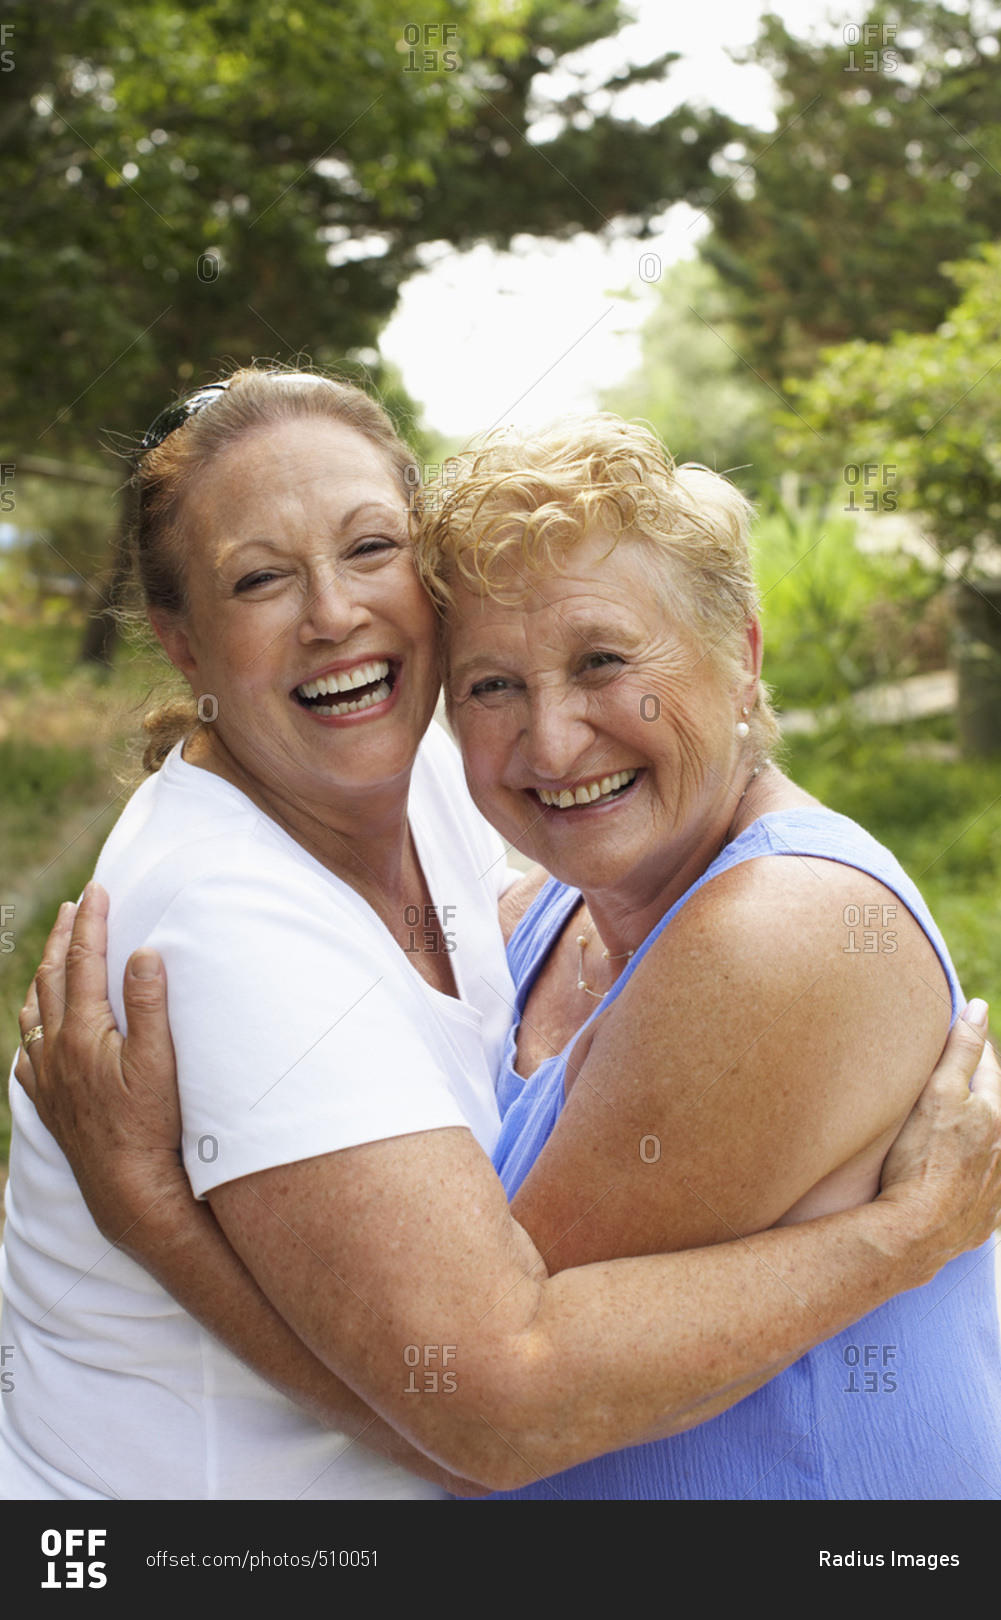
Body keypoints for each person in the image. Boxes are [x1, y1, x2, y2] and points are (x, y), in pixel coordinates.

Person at [6, 371, 1001, 1503]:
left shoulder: (778, 936)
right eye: (493, 684)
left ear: (742, 655)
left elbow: (496, 1409)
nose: (552, 739)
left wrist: (158, 1221)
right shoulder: (533, 900)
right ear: (183, 644)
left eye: (604, 661)